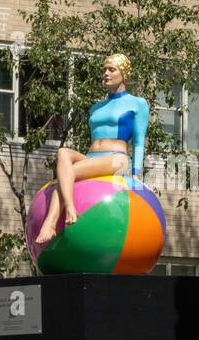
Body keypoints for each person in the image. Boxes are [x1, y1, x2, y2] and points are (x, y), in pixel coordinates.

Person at [36, 53, 149, 244]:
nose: (105, 73)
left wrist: (137, 175)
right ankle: (69, 206)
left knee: (66, 177)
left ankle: (53, 220)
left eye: (111, 69)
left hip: (116, 159)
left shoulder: (137, 104)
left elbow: (138, 141)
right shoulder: (96, 107)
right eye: (104, 69)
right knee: (63, 153)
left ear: (124, 74)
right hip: (92, 157)